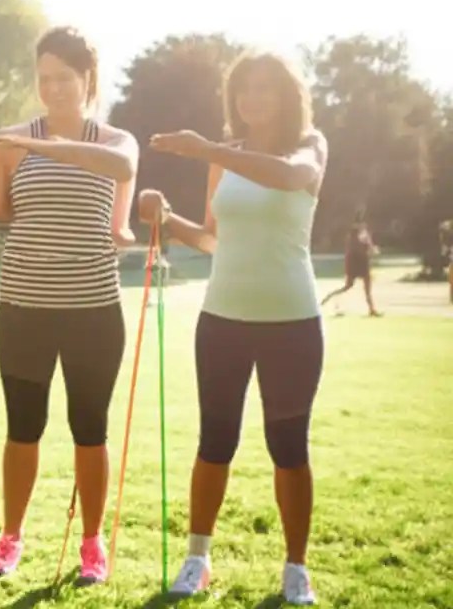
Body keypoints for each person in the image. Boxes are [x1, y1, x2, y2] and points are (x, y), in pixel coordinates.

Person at [138, 50, 328, 605]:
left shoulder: (308, 146)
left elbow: (294, 177)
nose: (252, 99)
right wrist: (165, 219)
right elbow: (213, 238)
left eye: (265, 88)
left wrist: (207, 149)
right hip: (223, 319)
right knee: (215, 440)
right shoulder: (226, 158)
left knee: (288, 446)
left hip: (292, 321)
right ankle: (198, 558)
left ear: (287, 96)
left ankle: (296, 567)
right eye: (243, 90)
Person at [0, 26, 139, 583]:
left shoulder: (117, 141)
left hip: (94, 310)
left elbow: (120, 188)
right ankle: (11, 537)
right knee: (24, 427)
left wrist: (37, 147)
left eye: (64, 78)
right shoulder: (7, 143)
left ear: (87, 79)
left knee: (90, 428)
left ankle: (92, 545)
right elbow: (1, 215)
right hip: (24, 308)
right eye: (44, 79)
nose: (53, 89)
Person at [319, 216, 381, 316]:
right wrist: (369, 249)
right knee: (348, 286)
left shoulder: (364, 235)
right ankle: (328, 299)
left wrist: (371, 248)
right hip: (355, 264)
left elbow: (368, 247)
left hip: (362, 263)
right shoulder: (353, 236)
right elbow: (357, 250)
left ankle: (372, 309)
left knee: (367, 287)